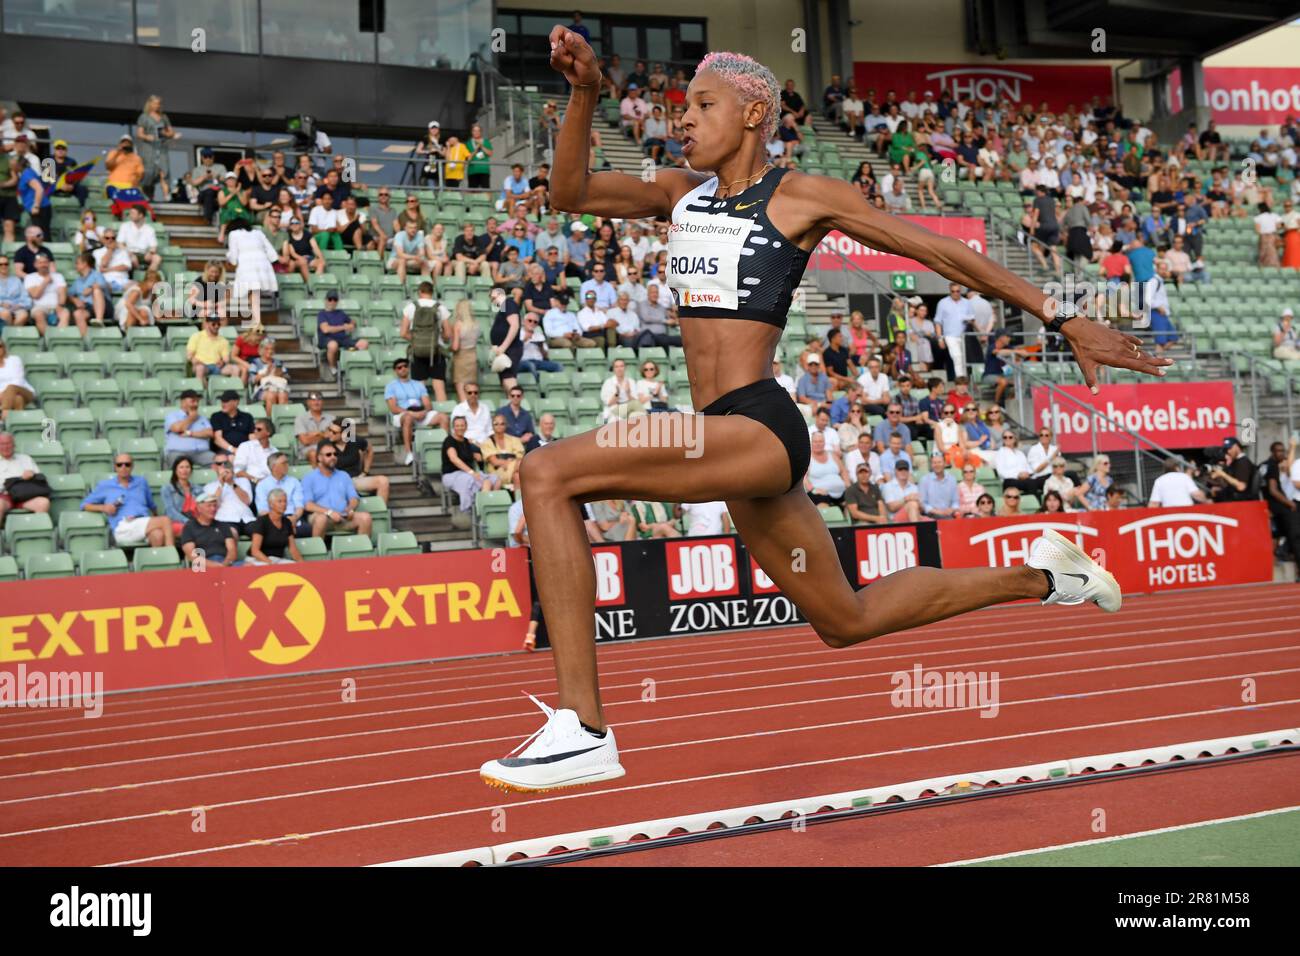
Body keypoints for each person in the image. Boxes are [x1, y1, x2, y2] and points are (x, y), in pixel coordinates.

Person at [480, 30, 1166, 794]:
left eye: (703, 105)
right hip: (725, 442)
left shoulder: (803, 195)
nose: (685, 120)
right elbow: (570, 193)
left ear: (753, 113)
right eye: (682, 108)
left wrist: (1062, 314)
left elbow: (934, 250)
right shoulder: (679, 194)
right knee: (846, 620)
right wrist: (583, 94)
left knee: (545, 471)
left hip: (760, 426)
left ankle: (585, 728)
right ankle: (1046, 578)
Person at [81, 453, 175, 548]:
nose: (123, 467)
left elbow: (152, 505)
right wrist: (104, 507)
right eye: (119, 465)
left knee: (158, 535)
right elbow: (84, 505)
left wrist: (155, 518)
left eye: (127, 464)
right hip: (123, 527)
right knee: (165, 520)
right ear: (115, 467)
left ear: (132, 466)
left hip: (141, 522)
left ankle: (156, 560)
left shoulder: (141, 482)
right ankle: (172, 557)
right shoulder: (105, 485)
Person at [303, 441, 373, 538]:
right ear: (319, 458)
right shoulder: (309, 478)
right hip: (321, 517)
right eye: (328, 455)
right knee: (321, 519)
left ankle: (362, 551)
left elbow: (354, 497)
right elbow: (308, 505)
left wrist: (350, 509)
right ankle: (318, 551)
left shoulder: (344, 476)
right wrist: (329, 512)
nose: (333, 457)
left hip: (343, 516)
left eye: (335, 454)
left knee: (365, 518)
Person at [442, 415, 500, 518]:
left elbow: (479, 450)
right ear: (453, 427)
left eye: (462, 425)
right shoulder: (449, 440)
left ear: (466, 426)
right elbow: (454, 459)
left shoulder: (466, 441)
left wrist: (475, 455)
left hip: (467, 473)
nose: (460, 428)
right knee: (471, 480)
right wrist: (471, 472)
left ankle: (488, 507)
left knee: (494, 479)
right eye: (457, 426)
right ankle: (474, 511)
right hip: (452, 474)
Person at [325, 420, 389, 503]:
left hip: (355, 479)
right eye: (329, 430)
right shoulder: (325, 444)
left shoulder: (355, 440)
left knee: (383, 481)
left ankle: (381, 512)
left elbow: (369, 450)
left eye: (334, 432)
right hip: (336, 481)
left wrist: (365, 471)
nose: (330, 433)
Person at [246, 488, 304, 565]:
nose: (283, 504)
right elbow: (255, 551)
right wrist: (271, 565)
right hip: (259, 559)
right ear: (271, 504)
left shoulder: (287, 523)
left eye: (285, 501)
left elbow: (293, 549)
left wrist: (304, 566)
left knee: (294, 567)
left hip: (277, 560)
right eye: (280, 501)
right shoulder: (262, 521)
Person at [316, 290, 370, 373]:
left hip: (342, 338)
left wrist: (352, 325)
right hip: (327, 338)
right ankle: (333, 367)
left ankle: (353, 366)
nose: (332, 302)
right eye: (330, 299)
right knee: (333, 345)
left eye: (335, 300)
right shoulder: (322, 314)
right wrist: (344, 327)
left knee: (364, 343)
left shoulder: (340, 313)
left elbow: (352, 322)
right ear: (326, 300)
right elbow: (325, 329)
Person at [179, 491, 237, 566]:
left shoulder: (223, 525)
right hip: (203, 565)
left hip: (225, 563)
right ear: (199, 508)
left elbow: (232, 551)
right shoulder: (189, 527)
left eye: (215, 506)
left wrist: (224, 564)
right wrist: (213, 565)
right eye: (209, 506)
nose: (213, 509)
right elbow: (191, 555)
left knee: (249, 565)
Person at [164, 389, 217, 467]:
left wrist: (190, 433)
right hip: (178, 453)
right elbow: (177, 429)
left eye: (197, 401)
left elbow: (210, 433)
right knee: (180, 465)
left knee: (219, 461)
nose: (196, 404)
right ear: (182, 402)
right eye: (193, 401)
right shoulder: (172, 416)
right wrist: (191, 418)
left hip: (202, 453)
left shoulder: (202, 418)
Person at [160, 454, 198, 537]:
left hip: (194, 522)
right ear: (175, 470)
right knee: (190, 530)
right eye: (181, 467)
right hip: (176, 522)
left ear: (191, 470)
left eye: (187, 467)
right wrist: (187, 521)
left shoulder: (198, 489)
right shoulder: (167, 488)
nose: (184, 470)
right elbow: (170, 511)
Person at [0, 337, 36, 422]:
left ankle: (3, 414)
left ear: (4, 347)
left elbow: (18, 381)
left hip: (24, 391)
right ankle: (16, 425)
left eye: (0, 346)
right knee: (18, 399)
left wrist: (4, 395)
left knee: (12, 387)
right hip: (8, 396)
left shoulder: (14, 360)